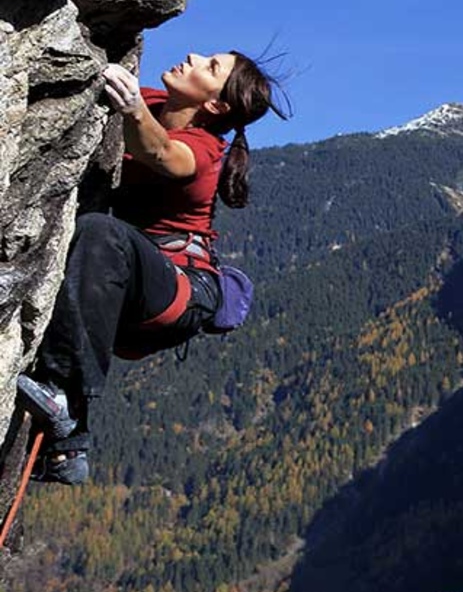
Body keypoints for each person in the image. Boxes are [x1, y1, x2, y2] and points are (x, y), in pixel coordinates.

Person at [14, 52, 287, 484]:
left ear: (215, 105)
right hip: (123, 289)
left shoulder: (203, 150)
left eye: (210, 66)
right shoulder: (154, 101)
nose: (194, 56)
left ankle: (63, 400)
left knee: (101, 234)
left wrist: (132, 108)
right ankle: (66, 449)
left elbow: (161, 152)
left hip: (181, 292)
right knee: (89, 255)